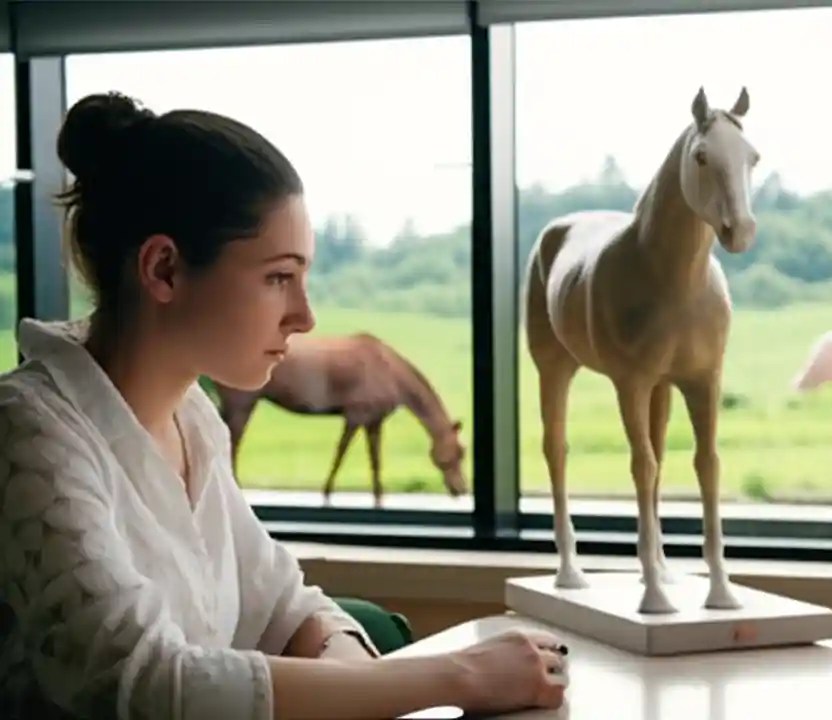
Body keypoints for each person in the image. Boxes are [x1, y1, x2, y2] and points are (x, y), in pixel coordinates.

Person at [0, 92, 568, 719]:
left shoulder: (192, 418)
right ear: (163, 269)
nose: (305, 315)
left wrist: (353, 676)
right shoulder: (28, 435)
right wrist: (458, 676)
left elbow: (291, 609)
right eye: (278, 277)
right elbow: (147, 684)